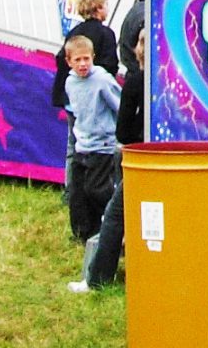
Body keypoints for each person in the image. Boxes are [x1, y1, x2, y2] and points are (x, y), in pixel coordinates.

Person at [71, 23, 145, 293]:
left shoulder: (135, 81)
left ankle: (97, 279)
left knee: (114, 215)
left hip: (139, 157)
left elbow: (123, 129)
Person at [61, 35, 122, 246]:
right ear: (69, 61)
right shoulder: (70, 82)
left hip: (102, 144)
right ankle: (82, 233)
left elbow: (119, 106)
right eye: (77, 60)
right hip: (82, 142)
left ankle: (112, 225)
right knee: (77, 192)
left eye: (86, 59)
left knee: (97, 189)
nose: (83, 64)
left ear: (93, 57)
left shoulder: (102, 80)